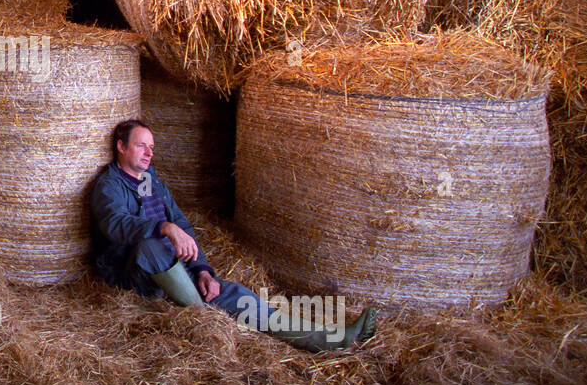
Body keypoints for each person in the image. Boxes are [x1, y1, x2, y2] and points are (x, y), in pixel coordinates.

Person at [89, 118, 376, 352]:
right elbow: (114, 223)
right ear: (121, 147)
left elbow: (183, 226)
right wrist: (164, 228)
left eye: (152, 147)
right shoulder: (109, 185)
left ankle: (333, 339)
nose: (150, 153)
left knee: (240, 296)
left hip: (177, 274)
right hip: (136, 276)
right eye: (141, 146)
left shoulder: (154, 183)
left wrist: (202, 270)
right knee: (151, 246)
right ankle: (204, 316)